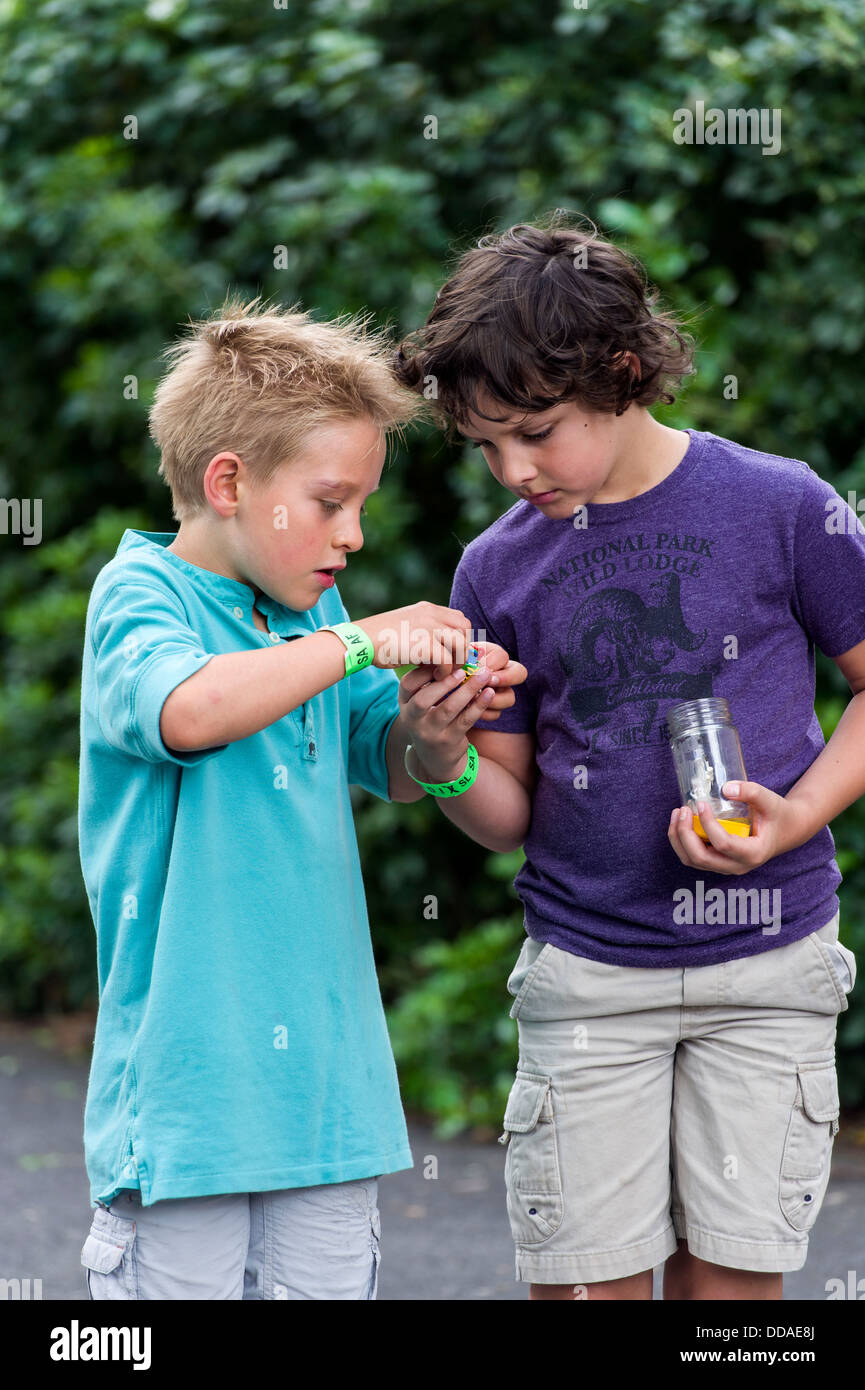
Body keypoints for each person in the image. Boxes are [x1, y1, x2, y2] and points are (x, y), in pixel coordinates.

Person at [392, 215, 864, 1300]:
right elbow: (507, 814)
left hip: (767, 965)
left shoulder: (781, 504)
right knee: (582, 1286)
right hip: (590, 973)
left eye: (537, 430)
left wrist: (795, 817)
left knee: (733, 1298)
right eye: (484, 444)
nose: (512, 468)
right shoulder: (492, 569)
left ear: (623, 372)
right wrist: (438, 749)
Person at [76, 296, 525, 1300]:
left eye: (362, 503)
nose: (354, 534)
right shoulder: (141, 595)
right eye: (330, 502)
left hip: (327, 1102)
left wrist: (437, 726)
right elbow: (189, 711)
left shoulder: (309, 605)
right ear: (228, 482)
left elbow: (392, 760)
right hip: (187, 1112)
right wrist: (362, 639)